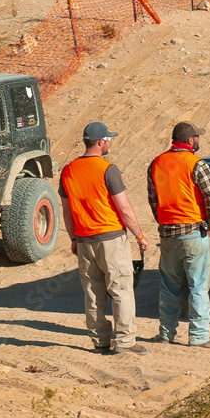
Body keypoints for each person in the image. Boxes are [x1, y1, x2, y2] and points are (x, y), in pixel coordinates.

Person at [60, 122, 150, 356]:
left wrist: (73, 239)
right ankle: (125, 341)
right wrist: (139, 235)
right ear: (101, 142)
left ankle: (100, 341)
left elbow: (67, 211)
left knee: (93, 292)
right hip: (110, 239)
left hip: (84, 240)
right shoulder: (108, 169)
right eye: (109, 139)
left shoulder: (68, 170)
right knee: (120, 289)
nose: (110, 142)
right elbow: (125, 209)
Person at [147, 122, 210, 349]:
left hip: (167, 234)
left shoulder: (156, 163)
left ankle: (166, 333)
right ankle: (199, 337)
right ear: (190, 141)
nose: (199, 141)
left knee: (168, 286)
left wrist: (164, 223)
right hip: (193, 232)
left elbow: (153, 200)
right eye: (197, 137)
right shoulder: (197, 164)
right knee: (198, 286)